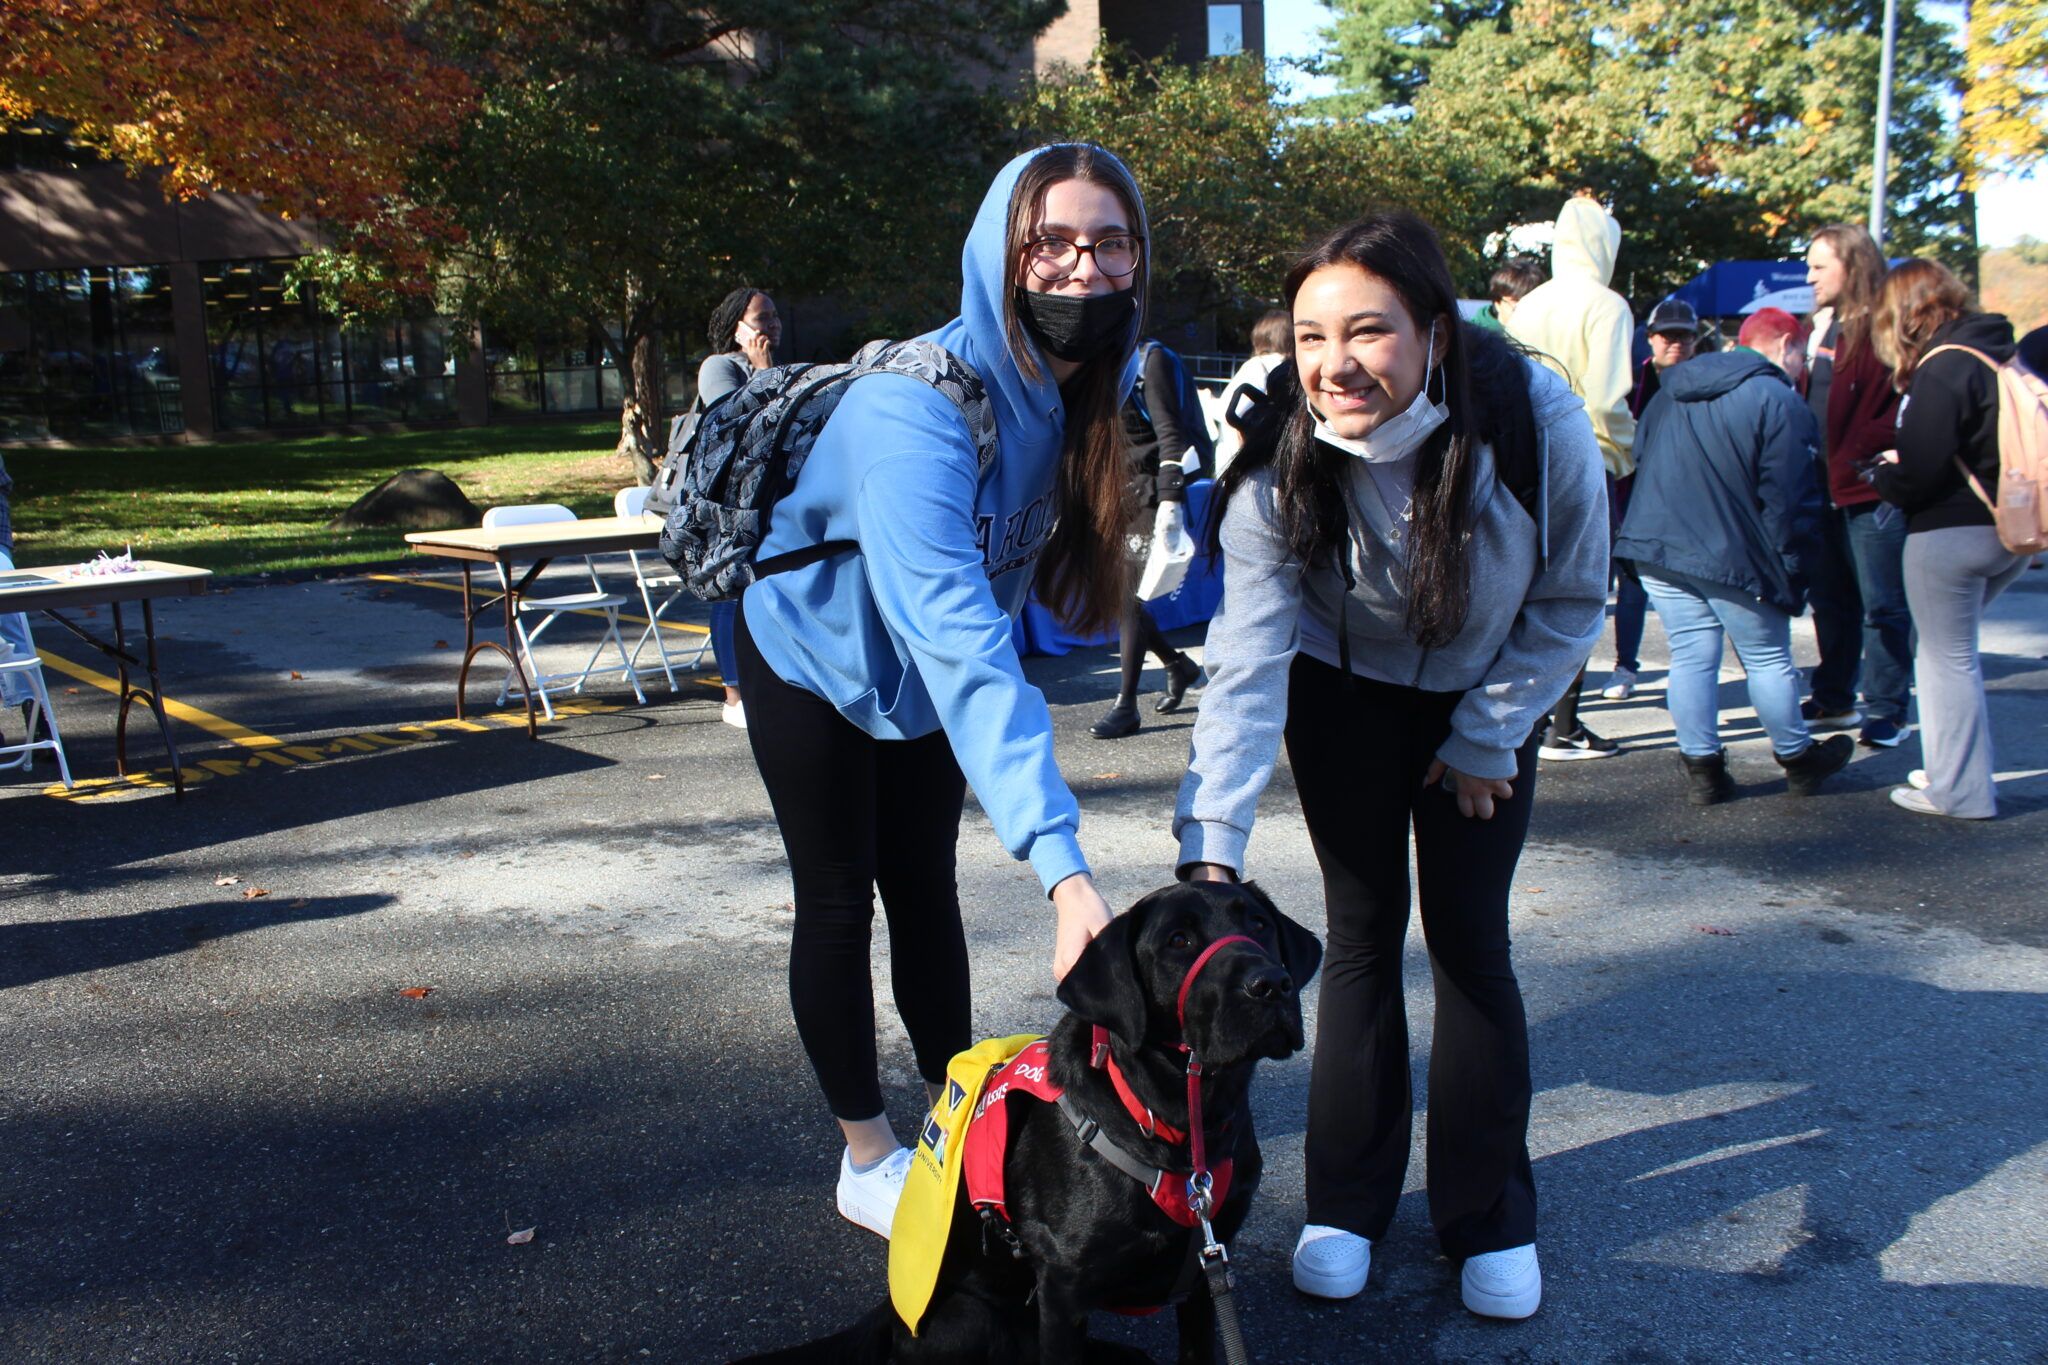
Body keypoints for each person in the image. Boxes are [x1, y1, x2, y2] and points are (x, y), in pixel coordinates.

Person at [1175, 213, 1608, 1320]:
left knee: (1470, 944)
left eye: (1367, 331)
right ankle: (1345, 1205)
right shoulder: (1272, 433)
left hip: (1481, 699)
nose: (1334, 364)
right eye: (1311, 336)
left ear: (1432, 332)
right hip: (1342, 691)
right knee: (1360, 935)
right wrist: (1209, 845)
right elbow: (1248, 653)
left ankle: (1487, 1219)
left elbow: (1568, 601)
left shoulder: (1528, 414)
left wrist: (1485, 733)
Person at [731, 143, 1139, 1240]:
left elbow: (984, 618)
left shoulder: (1083, 397)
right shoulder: (909, 411)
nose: (1079, 270)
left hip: (919, 680)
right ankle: (865, 1155)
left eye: (1108, 243)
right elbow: (966, 643)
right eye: (1047, 242)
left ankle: (947, 1118)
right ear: (997, 252)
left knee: (924, 887)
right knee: (837, 893)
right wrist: (1065, 872)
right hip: (808, 654)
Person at [1613, 308, 1853, 804]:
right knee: (1767, 657)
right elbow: (1791, 500)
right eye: (1800, 353)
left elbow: (1642, 457)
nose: (1801, 364)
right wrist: (1793, 569)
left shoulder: (1668, 393)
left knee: (1691, 657)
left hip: (1659, 546)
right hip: (1736, 554)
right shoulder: (1778, 400)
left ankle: (1702, 767)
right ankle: (1796, 758)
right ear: (1785, 343)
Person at [1866, 261, 2024, 818]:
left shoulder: (1944, 366)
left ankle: (1958, 791)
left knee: (1943, 661)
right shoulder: (1998, 355)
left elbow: (1922, 473)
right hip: (2007, 528)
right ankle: (1954, 774)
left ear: (1904, 315)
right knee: (1954, 657)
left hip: (1949, 534)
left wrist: (1882, 473)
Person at [1505, 192, 1636, 759]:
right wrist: (1622, 457)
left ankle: (1519, 720)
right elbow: (1607, 402)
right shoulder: (1607, 305)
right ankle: (1564, 723)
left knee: (1520, 590)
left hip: (1518, 461)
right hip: (1583, 461)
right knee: (1578, 594)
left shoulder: (1532, 302)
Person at [1802, 224, 1911, 748]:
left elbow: (1903, 408)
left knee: (1882, 606)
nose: (1810, 276)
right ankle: (1834, 695)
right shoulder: (1822, 327)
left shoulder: (1887, 326)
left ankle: (1888, 708)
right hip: (1820, 488)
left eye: (1820, 266)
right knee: (1831, 601)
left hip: (1869, 490)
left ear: (1853, 265)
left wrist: (1867, 455)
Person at [1091, 339, 1207, 738]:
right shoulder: (1094, 358)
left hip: (1152, 494)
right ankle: (1178, 665)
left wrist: (1172, 500)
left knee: (1127, 598)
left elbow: (1169, 432)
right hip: (1119, 493)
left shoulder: (1147, 360)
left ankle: (1126, 706)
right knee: (1121, 597)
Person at [695, 287, 783, 728]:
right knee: (730, 588)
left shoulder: (775, 368)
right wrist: (765, 373)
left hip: (766, 497)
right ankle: (733, 696)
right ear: (738, 328)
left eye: (773, 317)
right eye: (761, 318)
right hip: (724, 501)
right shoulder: (718, 368)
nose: (771, 325)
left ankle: (766, 681)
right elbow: (733, 424)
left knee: (761, 586)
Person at [1213, 308, 1291, 480]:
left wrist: (1208, 400)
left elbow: (1229, 412)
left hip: (1241, 465)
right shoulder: (1292, 369)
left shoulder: (1257, 365)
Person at [1471, 255, 1546, 334]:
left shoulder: (1544, 334)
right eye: (1515, 306)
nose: (1524, 314)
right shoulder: (1471, 337)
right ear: (1498, 303)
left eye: (1532, 307)